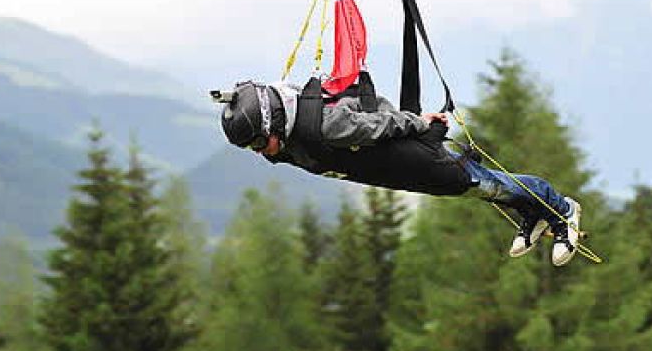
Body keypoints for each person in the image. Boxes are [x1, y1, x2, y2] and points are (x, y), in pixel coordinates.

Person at [214, 78, 583, 266]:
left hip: (409, 153)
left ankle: (559, 208)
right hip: (393, 169)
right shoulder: (291, 134)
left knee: (476, 181)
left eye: (260, 143)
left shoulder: (323, 126)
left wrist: (418, 122)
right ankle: (532, 213)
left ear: (274, 122)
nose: (260, 153)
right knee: (477, 188)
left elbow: (374, 124)